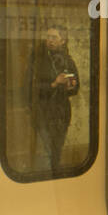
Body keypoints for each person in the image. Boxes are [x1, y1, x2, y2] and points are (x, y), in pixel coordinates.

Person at [29, 25, 79, 174]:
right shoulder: (38, 59)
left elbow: (76, 88)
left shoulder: (68, 61)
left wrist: (71, 85)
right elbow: (31, 88)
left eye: (54, 37)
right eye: (48, 37)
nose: (49, 40)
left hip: (61, 114)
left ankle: (55, 180)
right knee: (46, 152)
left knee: (57, 152)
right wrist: (54, 83)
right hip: (43, 112)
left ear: (62, 41)